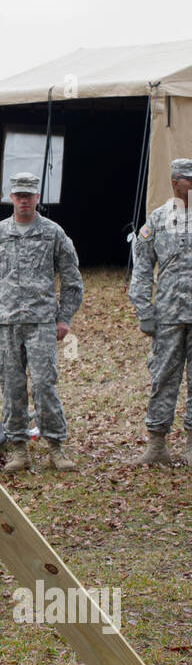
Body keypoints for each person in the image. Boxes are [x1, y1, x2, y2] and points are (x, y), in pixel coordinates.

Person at [0, 171, 83, 473]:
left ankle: (56, 447)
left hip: (42, 323)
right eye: (19, 195)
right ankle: (19, 449)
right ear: (11, 197)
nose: (24, 200)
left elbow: (73, 279)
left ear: (37, 197)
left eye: (29, 195)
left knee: (45, 385)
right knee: (11, 387)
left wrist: (64, 318)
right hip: (7, 324)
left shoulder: (53, 233)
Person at [128, 157, 192, 465]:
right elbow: (141, 269)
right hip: (168, 315)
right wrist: (145, 310)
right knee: (163, 378)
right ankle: (156, 445)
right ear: (175, 182)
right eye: (189, 180)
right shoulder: (157, 219)